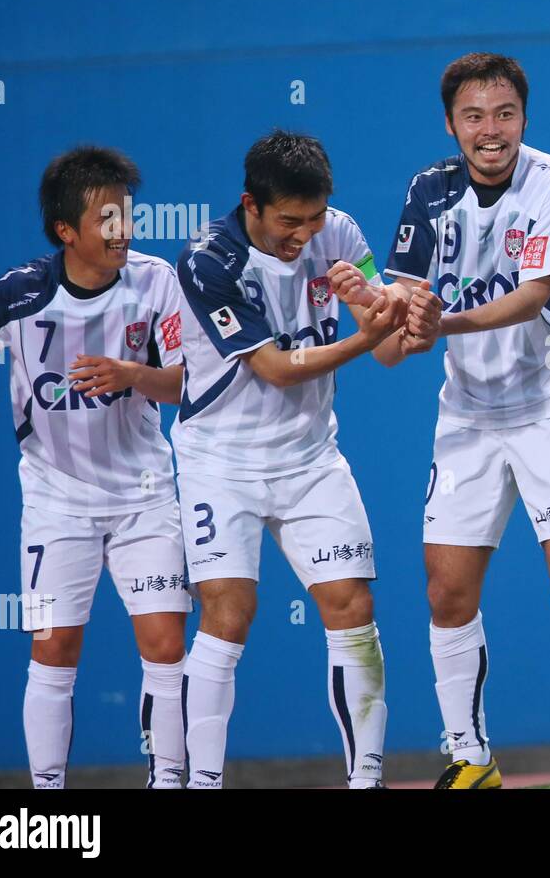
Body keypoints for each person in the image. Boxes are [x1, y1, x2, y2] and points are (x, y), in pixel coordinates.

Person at [330, 53, 550, 789]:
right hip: (469, 412)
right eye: (473, 116)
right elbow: (399, 334)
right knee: (446, 590)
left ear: (523, 118)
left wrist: (441, 324)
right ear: (450, 124)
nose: (489, 131)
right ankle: (470, 758)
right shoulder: (428, 191)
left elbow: (532, 295)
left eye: (504, 114)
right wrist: (367, 303)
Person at [172, 130, 420, 789]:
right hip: (219, 464)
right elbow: (276, 369)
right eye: (289, 222)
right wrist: (366, 336)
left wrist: (392, 310)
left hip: (311, 458)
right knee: (227, 614)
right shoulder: (206, 260)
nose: (305, 235)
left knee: (352, 606)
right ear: (250, 204)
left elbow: (391, 334)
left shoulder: (338, 232)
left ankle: (366, 781)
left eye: (314, 218)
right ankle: (201, 783)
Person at [0, 146, 191, 788]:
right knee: (54, 651)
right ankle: (48, 798)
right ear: (65, 231)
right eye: (107, 218)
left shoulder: (156, 280)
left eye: (127, 214)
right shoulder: (18, 294)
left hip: (145, 496)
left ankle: (169, 780)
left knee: (166, 647)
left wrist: (133, 374)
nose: (123, 230)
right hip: (56, 503)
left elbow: (188, 383)